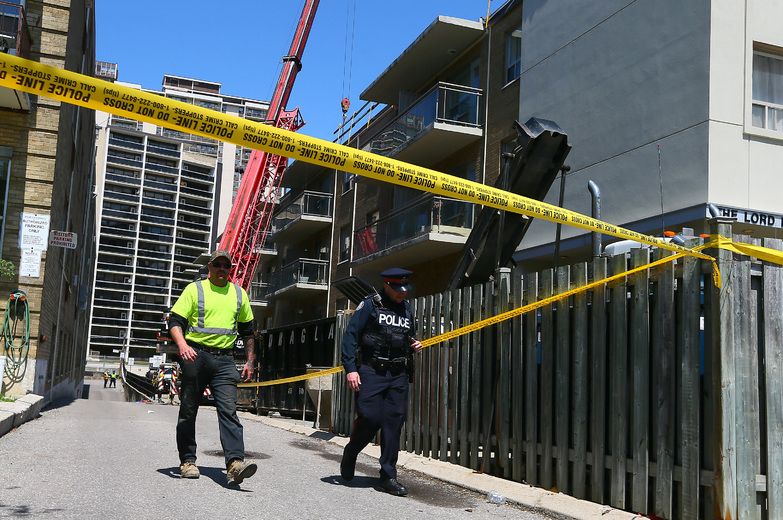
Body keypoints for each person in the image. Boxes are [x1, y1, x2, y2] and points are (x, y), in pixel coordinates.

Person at [168, 250, 258, 486]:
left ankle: (235, 463)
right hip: (196, 355)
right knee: (189, 409)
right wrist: (182, 345)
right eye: (217, 265)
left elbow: (248, 332)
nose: (221, 269)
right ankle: (187, 461)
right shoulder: (195, 289)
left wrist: (250, 361)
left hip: (225, 360)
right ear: (209, 267)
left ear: (230, 270)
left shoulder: (239, 294)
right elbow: (175, 321)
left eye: (225, 266)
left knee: (229, 411)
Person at [339, 267, 423, 496]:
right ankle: (352, 451)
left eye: (405, 289)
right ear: (387, 285)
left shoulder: (406, 308)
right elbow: (351, 336)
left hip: (398, 374)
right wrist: (351, 369)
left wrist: (414, 344)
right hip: (371, 371)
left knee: (393, 423)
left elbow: (406, 336)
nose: (402, 293)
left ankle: (388, 476)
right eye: (398, 289)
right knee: (370, 416)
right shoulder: (370, 305)